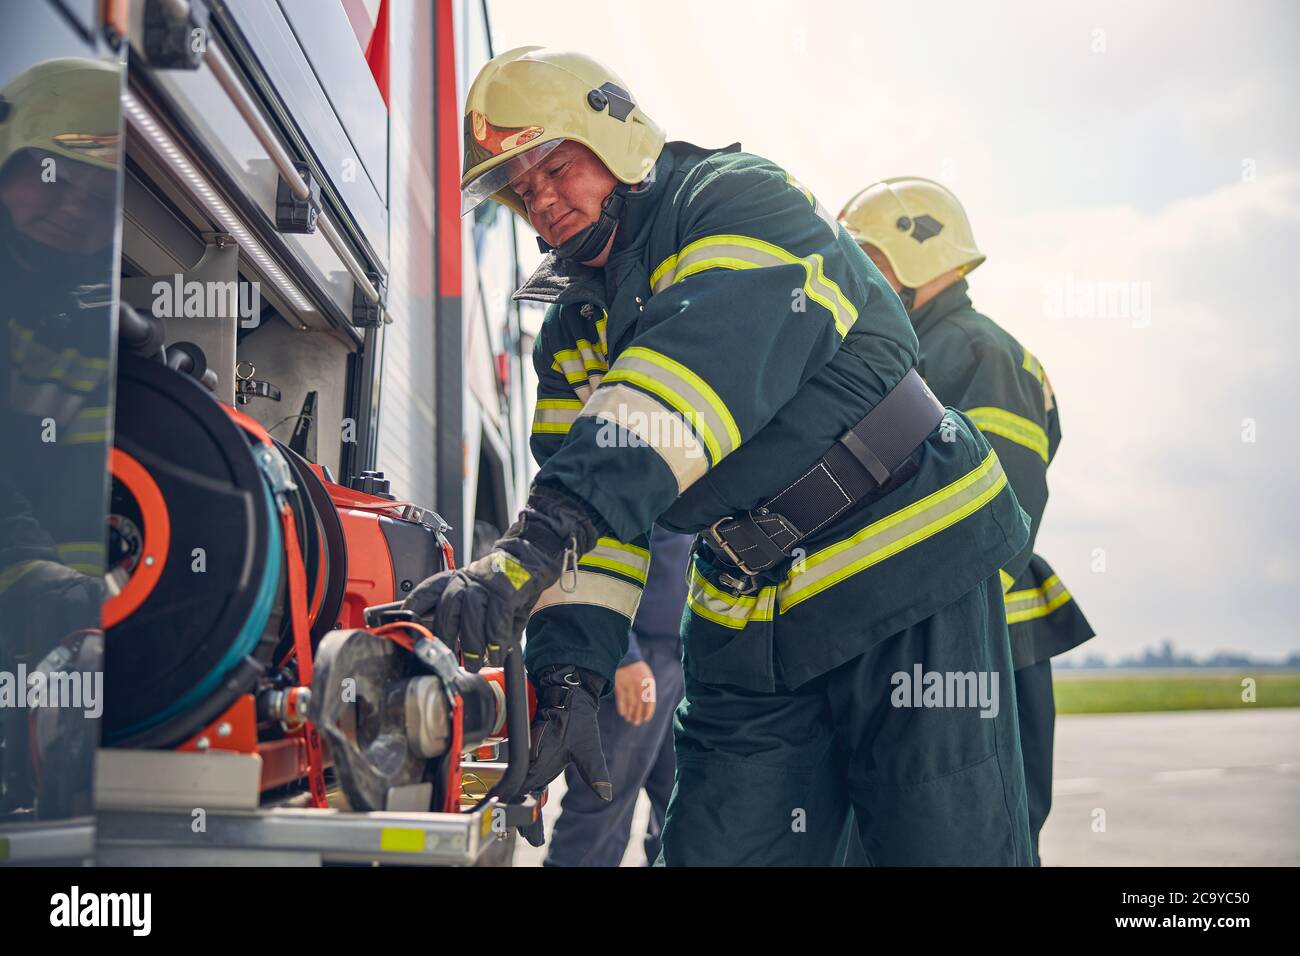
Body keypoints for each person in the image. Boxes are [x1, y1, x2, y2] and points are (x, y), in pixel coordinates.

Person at [405, 47, 1034, 865]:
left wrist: (530, 542)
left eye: (555, 168)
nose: (543, 203)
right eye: (523, 192)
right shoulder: (571, 331)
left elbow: (692, 379)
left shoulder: (737, 200)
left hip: (902, 562)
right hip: (749, 610)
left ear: (616, 135)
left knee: (946, 849)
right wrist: (569, 677)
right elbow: (600, 525)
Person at [838, 177, 1096, 863]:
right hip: (922, 640)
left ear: (914, 251)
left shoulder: (979, 352)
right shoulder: (907, 349)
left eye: (869, 259)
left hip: (974, 643)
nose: (858, 278)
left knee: (979, 840)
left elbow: (995, 522)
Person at [543, 526, 690, 866]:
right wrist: (626, 657)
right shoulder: (638, 478)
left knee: (682, 806)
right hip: (635, 661)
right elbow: (591, 564)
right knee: (602, 810)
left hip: (684, 663)